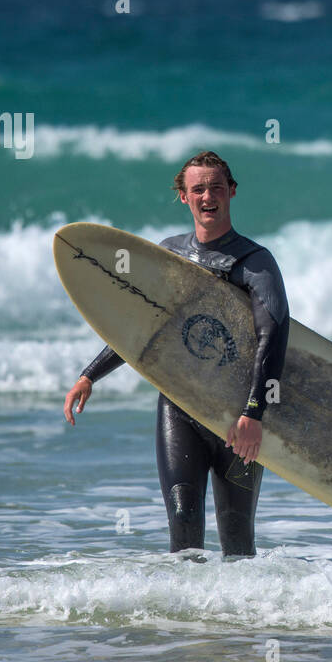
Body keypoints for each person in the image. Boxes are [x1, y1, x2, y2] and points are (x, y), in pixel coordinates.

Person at [62, 151, 290, 557]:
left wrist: (255, 413)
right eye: (197, 189)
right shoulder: (169, 256)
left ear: (232, 192)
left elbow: (273, 333)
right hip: (179, 408)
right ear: (183, 197)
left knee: (237, 539)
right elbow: (145, 330)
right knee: (183, 524)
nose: (208, 196)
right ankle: (187, 622)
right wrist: (90, 374)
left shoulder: (256, 262)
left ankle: (241, 621)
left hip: (236, 415)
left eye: (216, 187)